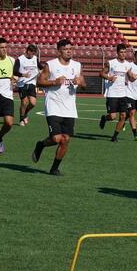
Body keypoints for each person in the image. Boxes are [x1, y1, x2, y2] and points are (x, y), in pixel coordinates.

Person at [32, 39, 85, 175]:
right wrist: (54, 81)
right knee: (56, 138)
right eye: (66, 49)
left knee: (65, 139)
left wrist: (80, 81)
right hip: (53, 105)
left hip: (69, 108)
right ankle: (41, 145)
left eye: (70, 49)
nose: (69, 51)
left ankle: (54, 168)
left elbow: (83, 83)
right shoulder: (51, 65)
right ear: (59, 50)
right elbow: (39, 82)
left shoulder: (77, 65)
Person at [98, 43, 132, 141]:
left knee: (123, 116)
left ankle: (114, 136)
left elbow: (130, 77)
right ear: (117, 53)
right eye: (121, 52)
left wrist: (132, 77)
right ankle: (105, 118)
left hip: (123, 94)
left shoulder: (128, 65)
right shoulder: (111, 63)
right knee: (112, 116)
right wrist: (109, 77)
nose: (123, 54)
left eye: (125, 52)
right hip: (112, 93)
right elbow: (101, 73)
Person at [15, 44, 44, 126]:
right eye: (33, 53)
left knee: (33, 103)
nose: (34, 55)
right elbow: (15, 71)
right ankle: (21, 119)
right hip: (22, 84)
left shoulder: (34, 58)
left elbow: (40, 67)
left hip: (31, 83)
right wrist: (23, 75)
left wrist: (41, 71)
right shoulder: (20, 59)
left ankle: (25, 113)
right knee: (24, 102)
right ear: (28, 51)